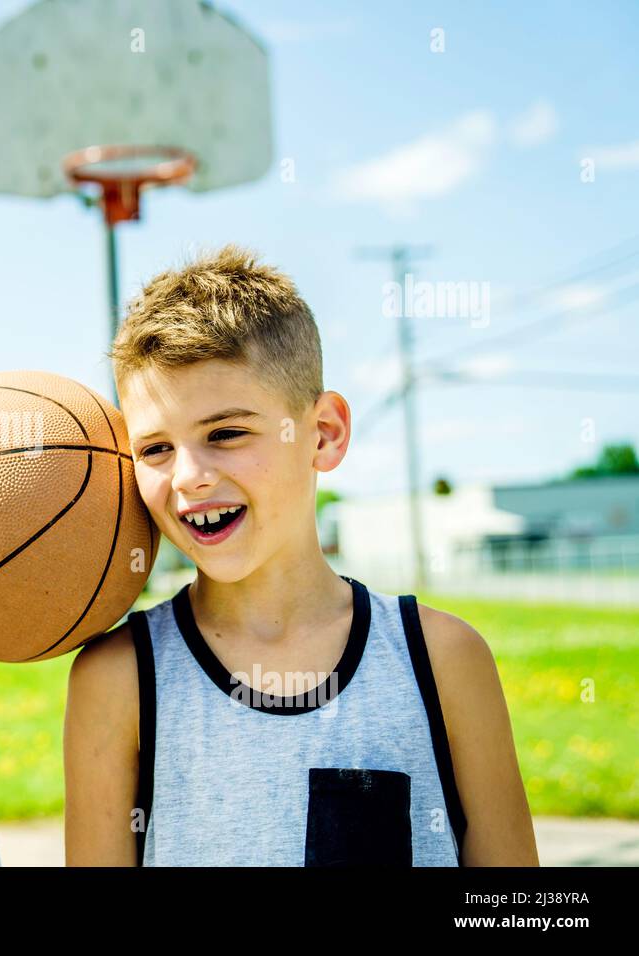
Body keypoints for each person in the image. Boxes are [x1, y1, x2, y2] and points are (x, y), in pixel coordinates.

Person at [64, 245, 538, 866]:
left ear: (324, 433)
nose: (189, 477)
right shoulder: (118, 677)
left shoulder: (443, 659)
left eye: (226, 434)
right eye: (155, 449)